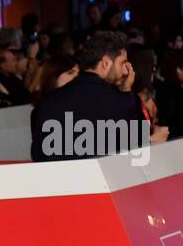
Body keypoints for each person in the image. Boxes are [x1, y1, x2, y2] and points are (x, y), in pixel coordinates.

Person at [31, 31, 144, 161]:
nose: (126, 70)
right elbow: (140, 149)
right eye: (122, 63)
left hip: (60, 179)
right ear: (105, 63)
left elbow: (38, 155)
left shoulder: (49, 101)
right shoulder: (120, 101)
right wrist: (127, 92)